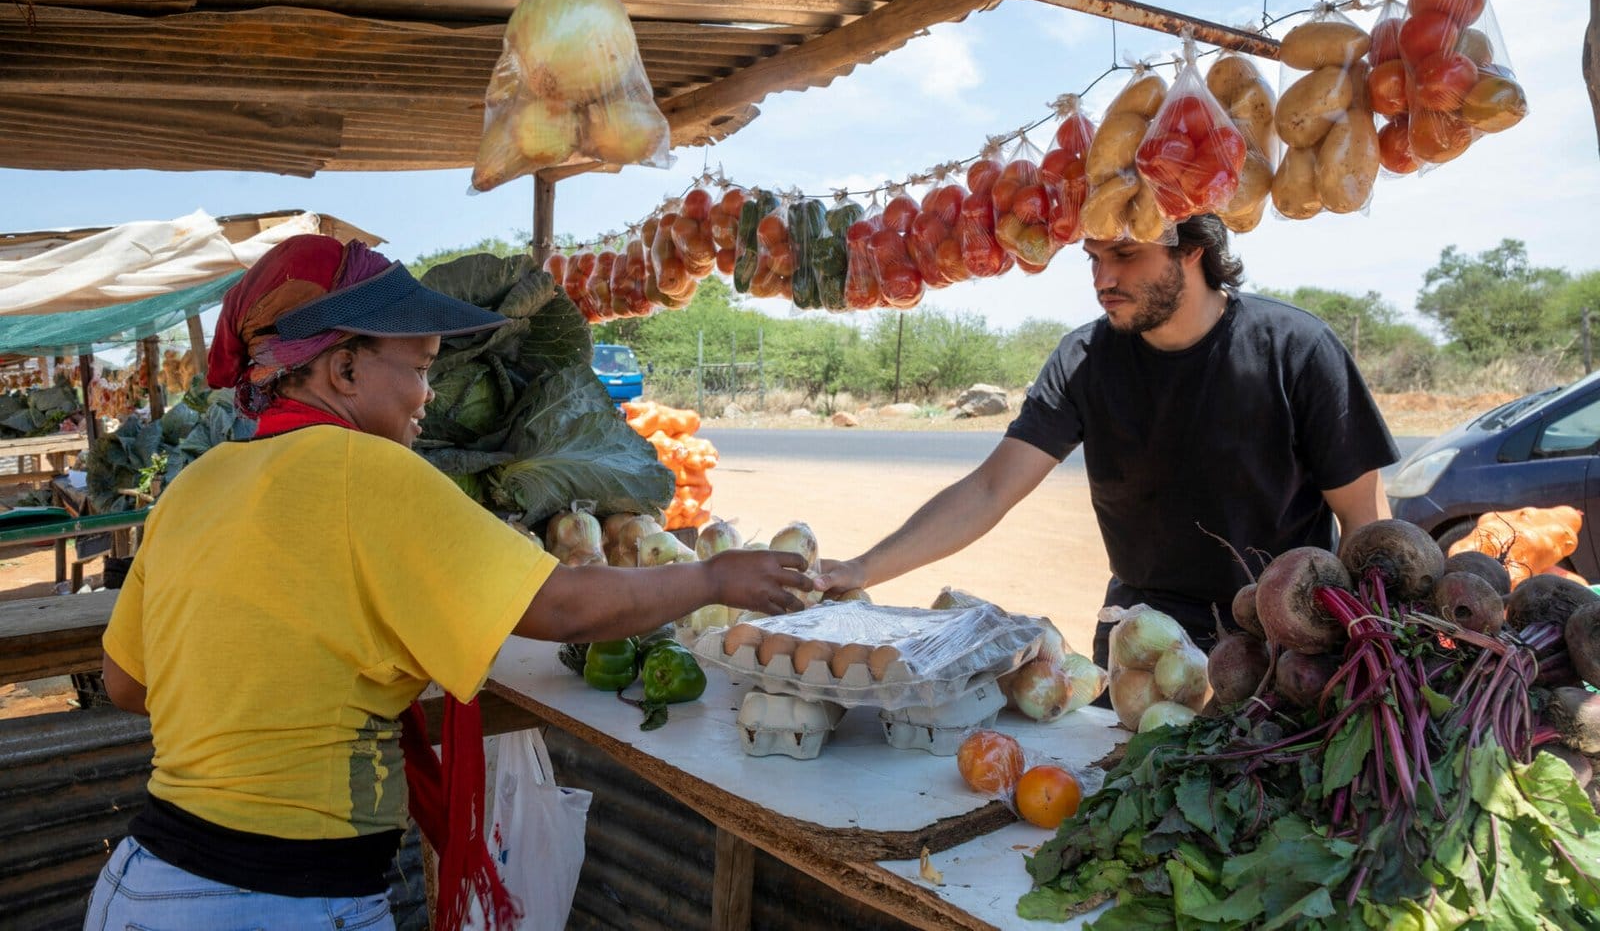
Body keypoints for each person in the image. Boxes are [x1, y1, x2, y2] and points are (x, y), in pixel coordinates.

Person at [86, 235, 810, 931]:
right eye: (422, 366)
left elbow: (125, 682)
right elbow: (564, 608)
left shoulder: (195, 484)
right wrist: (712, 574)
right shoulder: (369, 472)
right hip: (279, 902)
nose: (427, 395)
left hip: (142, 884)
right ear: (343, 371)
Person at [817, 214, 1399, 667]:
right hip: (1137, 640)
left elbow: (1365, 520)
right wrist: (862, 569)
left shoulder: (1296, 349)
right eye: (1093, 258)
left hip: (1280, 642)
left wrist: (1376, 656)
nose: (1103, 280)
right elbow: (991, 489)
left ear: (1192, 248)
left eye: (1124, 254)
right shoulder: (1084, 358)